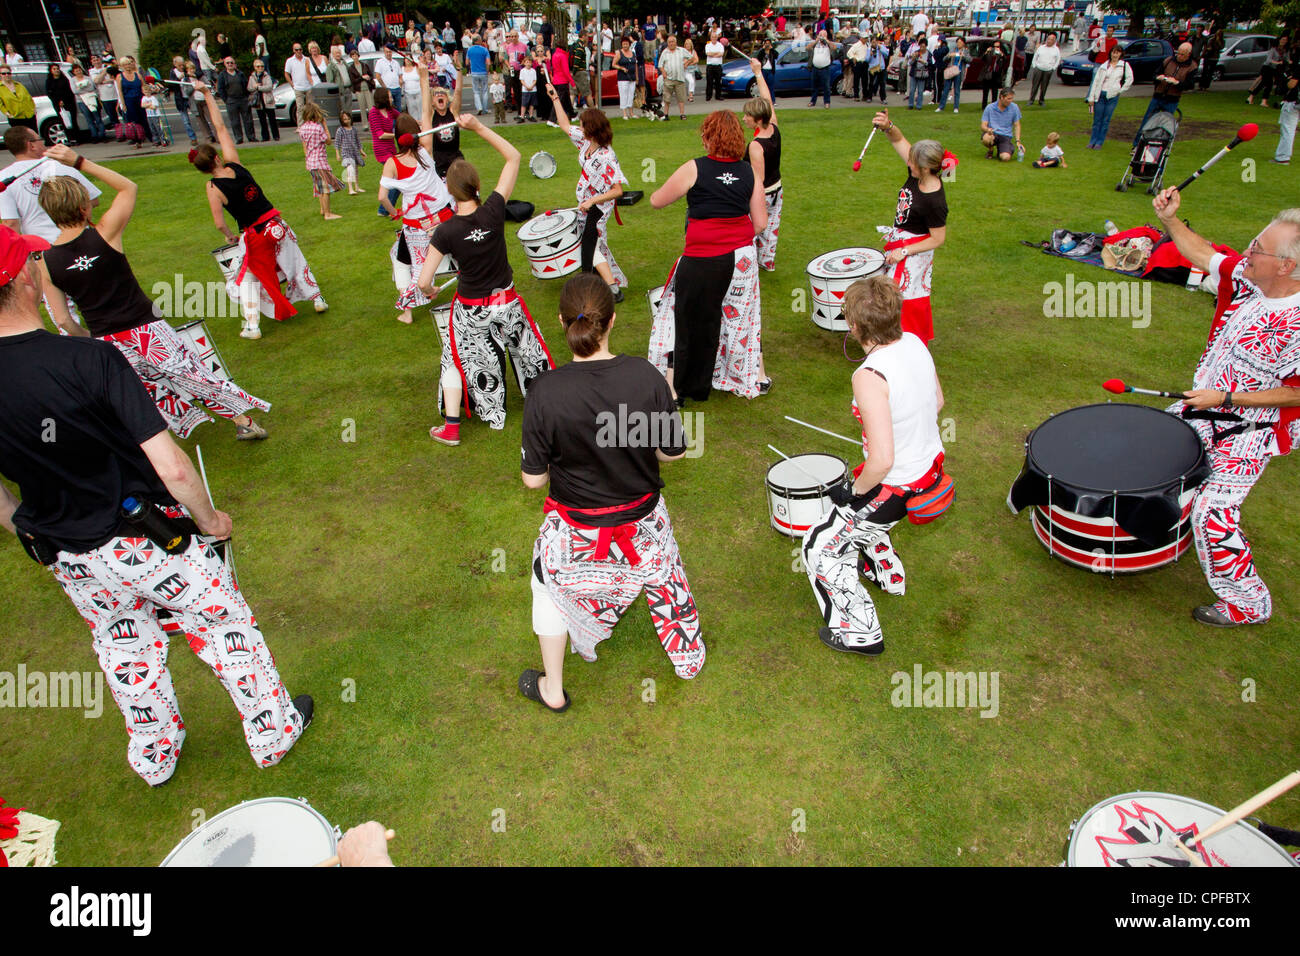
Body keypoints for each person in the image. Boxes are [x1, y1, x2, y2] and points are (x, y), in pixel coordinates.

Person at [0, 225, 311, 787]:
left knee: (124, 645)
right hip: (144, 534)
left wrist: (31, 527)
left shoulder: (81, 357)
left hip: (68, 551)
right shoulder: (89, 360)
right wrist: (210, 522)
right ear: (25, 277)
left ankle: (155, 751)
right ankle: (273, 731)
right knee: (222, 622)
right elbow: (171, 467)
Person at [518, 274, 704, 711]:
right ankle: (688, 658)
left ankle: (553, 689)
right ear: (613, 320)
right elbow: (672, 454)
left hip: (578, 531)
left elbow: (533, 480)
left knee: (544, 584)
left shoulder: (545, 392)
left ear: (561, 321)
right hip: (645, 529)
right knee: (667, 576)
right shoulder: (645, 375)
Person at [36, 145, 270, 442]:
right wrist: (79, 162)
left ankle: (161, 447)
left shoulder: (45, 262)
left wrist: (92, 340)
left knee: (147, 394)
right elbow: (128, 187)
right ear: (84, 206)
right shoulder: (104, 232)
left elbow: (64, 320)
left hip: (108, 340)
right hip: (148, 328)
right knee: (194, 376)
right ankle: (244, 421)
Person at [1151, 190, 1300, 627]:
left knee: (1213, 511)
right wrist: (1170, 221)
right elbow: (1205, 254)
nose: (1247, 252)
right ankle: (1153, 535)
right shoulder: (1251, 279)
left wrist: (1228, 398)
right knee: (1150, 452)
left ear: (1287, 266)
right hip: (1205, 405)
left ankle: (1249, 603)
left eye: (1259, 249)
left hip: (1253, 428)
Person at [802, 274, 947, 656]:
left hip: (898, 485)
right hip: (931, 468)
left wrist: (853, 492)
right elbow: (938, 402)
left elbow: (881, 461)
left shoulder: (869, 375)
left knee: (820, 545)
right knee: (857, 519)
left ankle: (859, 633)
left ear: (853, 326)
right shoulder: (914, 341)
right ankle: (888, 576)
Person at [417, 114, 555, 443]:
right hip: (507, 301)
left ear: (450, 192)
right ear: (477, 186)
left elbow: (423, 281)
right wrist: (478, 128)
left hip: (470, 309)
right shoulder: (494, 208)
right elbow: (514, 157)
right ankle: (549, 405)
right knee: (528, 353)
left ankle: (456, 426)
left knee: (457, 357)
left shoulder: (445, 231)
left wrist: (431, 289)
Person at [648, 110, 769, 403]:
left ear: (708, 137)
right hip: (742, 259)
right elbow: (761, 223)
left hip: (703, 258)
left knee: (685, 320)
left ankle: (680, 387)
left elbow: (656, 200)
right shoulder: (748, 172)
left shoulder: (694, 168)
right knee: (740, 320)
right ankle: (747, 375)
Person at [189, 80, 326, 340]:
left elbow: (219, 223)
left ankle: (252, 325)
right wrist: (207, 93)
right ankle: (317, 299)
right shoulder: (235, 165)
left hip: (255, 235)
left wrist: (230, 236)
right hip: (276, 225)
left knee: (246, 278)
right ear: (216, 157)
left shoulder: (212, 187)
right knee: (295, 262)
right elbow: (221, 128)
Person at [379, 68, 456, 324]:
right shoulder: (425, 149)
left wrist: (393, 213)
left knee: (405, 263)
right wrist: (424, 81)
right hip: (445, 213)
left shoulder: (394, 161)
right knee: (416, 259)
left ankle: (408, 311)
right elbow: (426, 113)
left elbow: (382, 197)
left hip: (419, 223)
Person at [873, 111, 948, 344]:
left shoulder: (935, 201)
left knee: (907, 299)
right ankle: (891, 339)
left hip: (915, 251)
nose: (908, 163)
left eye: (912, 162)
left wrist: (904, 251)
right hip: (901, 242)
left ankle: (910, 344)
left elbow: (937, 239)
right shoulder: (917, 174)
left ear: (926, 168)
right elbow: (898, 140)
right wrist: (888, 126)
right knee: (889, 295)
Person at [546, 94, 628, 298]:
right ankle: (605, 284)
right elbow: (565, 126)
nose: (579, 128)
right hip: (586, 203)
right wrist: (555, 98)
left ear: (591, 129)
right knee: (592, 244)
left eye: (582, 125)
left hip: (599, 207)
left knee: (590, 245)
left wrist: (592, 201)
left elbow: (618, 191)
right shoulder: (586, 142)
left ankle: (608, 288)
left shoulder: (606, 156)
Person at [745, 61, 782, 273]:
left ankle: (749, 264)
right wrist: (758, 72)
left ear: (758, 120)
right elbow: (767, 100)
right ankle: (767, 262)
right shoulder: (774, 127)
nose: (744, 119)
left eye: (747, 116)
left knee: (754, 229)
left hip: (764, 194)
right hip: (778, 190)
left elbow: (757, 181)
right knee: (771, 231)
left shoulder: (756, 146)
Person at [1133, 43, 1197, 147]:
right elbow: (1155, 75)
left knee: (1165, 125)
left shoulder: (1192, 67)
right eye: (1178, 53)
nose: (1179, 56)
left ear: (1188, 55)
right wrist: (1158, 78)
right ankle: (1137, 145)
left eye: (1182, 54)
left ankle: (1158, 147)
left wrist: (1177, 83)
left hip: (1172, 99)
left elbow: (1190, 85)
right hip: (1158, 96)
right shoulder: (1168, 61)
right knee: (1147, 121)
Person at [297, 102, 344, 220]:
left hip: (310, 162)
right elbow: (328, 141)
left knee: (318, 187)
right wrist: (325, 126)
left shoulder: (302, 128)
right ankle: (328, 214)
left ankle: (323, 209)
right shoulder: (317, 128)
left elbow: (304, 146)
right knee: (326, 188)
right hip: (320, 162)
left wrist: (307, 158)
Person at [1086, 45, 1133, 149]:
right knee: (1097, 120)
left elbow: (1129, 80)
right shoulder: (1104, 66)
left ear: (1121, 54)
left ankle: (1099, 142)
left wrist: (1120, 90)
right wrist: (1091, 97)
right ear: (1110, 53)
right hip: (1100, 94)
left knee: (1105, 120)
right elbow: (1096, 82)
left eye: (1117, 52)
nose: (1115, 54)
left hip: (1112, 96)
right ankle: (1092, 140)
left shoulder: (1124, 65)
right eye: (1113, 52)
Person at [426, 82, 465, 176]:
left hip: (455, 156)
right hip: (438, 159)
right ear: (432, 102)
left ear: (447, 99)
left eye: (442, 93)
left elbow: (458, 91)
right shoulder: (431, 115)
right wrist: (423, 77)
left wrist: (459, 71)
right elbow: (425, 96)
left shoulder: (453, 112)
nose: (439, 94)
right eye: (436, 94)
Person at [217, 55, 255, 144]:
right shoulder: (222, 75)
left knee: (248, 120)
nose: (230, 64)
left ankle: (251, 137)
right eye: (228, 63)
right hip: (231, 101)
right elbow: (220, 89)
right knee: (235, 121)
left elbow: (246, 85)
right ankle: (239, 138)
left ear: (234, 64)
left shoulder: (240, 74)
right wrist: (226, 99)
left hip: (243, 99)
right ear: (225, 64)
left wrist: (247, 96)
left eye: (231, 62)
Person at [981, 86, 1022, 161]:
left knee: (1005, 158)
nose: (1010, 101)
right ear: (1001, 97)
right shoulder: (990, 107)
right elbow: (983, 126)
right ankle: (990, 150)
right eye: (1008, 98)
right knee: (986, 138)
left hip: (1005, 135)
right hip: (993, 134)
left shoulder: (1014, 107)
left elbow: (1017, 125)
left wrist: (1018, 141)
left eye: (1012, 98)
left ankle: (1005, 149)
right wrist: (988, 130)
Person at [1247, 36, 1288, 108]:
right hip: (1267, 68)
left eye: (1285, 40)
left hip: (1274, 69)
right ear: (1279, 40)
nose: (1284, 41)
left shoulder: (1284, 50)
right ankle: (1263, 101)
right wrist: (1277, 63)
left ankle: (1251, 97)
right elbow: (1268, 60)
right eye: (1283, 39)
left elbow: (1286, 58)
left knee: (1263, 84)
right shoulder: (1273, 49)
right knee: (1268, 85)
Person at [70, 64, 105, 143]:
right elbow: (75, 91)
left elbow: (92, 87)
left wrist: (81, 88)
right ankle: (94, 136)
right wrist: (85, 89)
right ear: (74, 72)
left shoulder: (88, 78)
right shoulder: (72, 80)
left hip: (92, 99)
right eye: (76, 71)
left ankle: (102, 135)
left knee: (97, 118)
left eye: (79, 70)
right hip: (82, 101)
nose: (78, 72)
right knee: (89, 119)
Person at [1274, 56, 1299, 164]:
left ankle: (1283, 157)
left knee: (1288, 128)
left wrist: (1287, 81)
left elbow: (1292, 84)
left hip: (1294, 101)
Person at [46, 64, 81, 142]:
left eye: (57, 68)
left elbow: (69, 91)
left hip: (69, 103)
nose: (56, 70)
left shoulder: (64, 79)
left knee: (73, 121)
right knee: (64, 121)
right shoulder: (49, 81)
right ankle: (69, 138)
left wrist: (63, 100)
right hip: (58, 104)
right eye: (54, 69)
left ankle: (78, 138)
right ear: (51, 71)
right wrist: (58, 101)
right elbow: (50, 93)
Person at [658, 33, 690, 119]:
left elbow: (692, 57)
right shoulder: (665, 52)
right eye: (669, 42)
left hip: (680, 78)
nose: (671, 43)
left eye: (673, 42)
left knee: (681, 98)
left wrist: (686, 63)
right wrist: (663, 72)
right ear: (667, 43)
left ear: (676, 42)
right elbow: (660, 65)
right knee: (667, 98)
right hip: (669, 79)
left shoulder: (681, 50)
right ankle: (666, 114)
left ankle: (682, 114)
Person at [248, 58, 279, 142]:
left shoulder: (267, 76)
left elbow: (269, 87)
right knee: (262, 120)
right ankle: (265, 136)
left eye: (262, 66)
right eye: (258, 66)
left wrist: (258, 87)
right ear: (255, 67)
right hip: (258, 102)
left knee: (272, 119)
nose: (260, 68)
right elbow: (249, 88)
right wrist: (255, 87)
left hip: (268, 100)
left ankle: (276, 135)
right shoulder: (252, 77)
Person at [0, 63, 36, 133]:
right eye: (4, 73)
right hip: (16, 118)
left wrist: (33, 109)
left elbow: (28, 97)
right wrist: (8, 114)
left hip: (29, 116)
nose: (7, 75)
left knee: (33, 137)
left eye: (8, 73)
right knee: (22, 139)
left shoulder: (19, 85)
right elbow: (0, 105)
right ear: (0, 75)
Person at [936, 36, 969, 113]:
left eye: (960, 42)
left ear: (963, 43)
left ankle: (956, 107)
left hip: (959, 72)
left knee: (956, 90)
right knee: (946, 89)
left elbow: (969, 60)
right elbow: (944, 59)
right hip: (951, 71)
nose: (958, 44)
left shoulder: (965, 51)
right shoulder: (952, 50)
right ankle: (941, 107)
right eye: (957, 42)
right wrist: (949, 56)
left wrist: (963, 56)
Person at [336, 110, 365, 193]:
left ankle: (356, 187)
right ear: (342, 120)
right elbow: (337, 143)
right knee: (350, 170)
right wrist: (337, 154)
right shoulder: (340, 130)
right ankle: (350, 188)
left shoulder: (354, 130)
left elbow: (357, 141)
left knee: (355, 170)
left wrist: (361, 151)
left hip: (354, 152)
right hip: (346, 153)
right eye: (345, 119)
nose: (347, 121)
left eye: (348, 119)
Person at [1028, 31, 1061, 106]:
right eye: (1048, 39)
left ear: (1054, 41)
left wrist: (1053, 68)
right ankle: (1031, 100)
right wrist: (1034, 66)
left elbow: (1057, 60)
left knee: (1044, 86)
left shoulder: (1056, 49)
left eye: (1051, 39)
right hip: (1038, 68)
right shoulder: (1041, 47)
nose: (1049, 41)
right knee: (1035, 85)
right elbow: (1035, 57)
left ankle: (1041, 100)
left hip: (1048, 70)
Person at [327, 48, 354, 123]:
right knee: (343, 110)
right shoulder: (331, 66)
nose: (338, 54)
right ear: (332, 55)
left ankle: (350, 125)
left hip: (348, 89)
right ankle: (344, 126)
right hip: (340, 91)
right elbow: (330, 81)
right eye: (336, 53)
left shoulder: (344, 63)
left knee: (349, 109)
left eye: (339, 53)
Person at [373, 45, 402, 113]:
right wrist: (384, 87)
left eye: (390, 52)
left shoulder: (396, 62)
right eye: (387, 52)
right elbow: (378, 76)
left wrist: (400, 84)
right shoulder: (380, 62)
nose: (388, 53)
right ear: (384, 52)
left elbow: (400, 75)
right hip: (388, 89)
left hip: (397, 88)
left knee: (398, 110)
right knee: (390, 110)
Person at [810, 30, 834, 108]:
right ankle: (813, 101)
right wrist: (816, 40)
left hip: (825, 68)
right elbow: (808, 47)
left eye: (823, 35)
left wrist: (826, 41)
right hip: (815, 67)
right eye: (820, 35)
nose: (821, 37)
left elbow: (834, 47)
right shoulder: (816, 44)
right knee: (814, 86)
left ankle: (827, 102)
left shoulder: (828, 44)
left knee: (826, 86)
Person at [905, 37, 931, 110]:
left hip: (922, 74)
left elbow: (930, 64)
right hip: (914, 73)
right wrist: (913, 58)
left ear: (926, 46)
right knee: (912, 90)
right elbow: (910, 63)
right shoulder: (916, 52)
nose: (922, 48)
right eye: (921, 46)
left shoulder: (928, 54)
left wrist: (924, 62)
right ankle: (910, 104)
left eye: (923, 46)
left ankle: (919, 106)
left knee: (920, 91)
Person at [980, 42, 1007, 110]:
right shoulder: (989, 53)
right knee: (985, 92)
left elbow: (1005, 61)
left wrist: (1002, 55)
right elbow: (982, 59)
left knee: (995, 92)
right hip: (988, 74)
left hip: (996, 75)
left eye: (998, 46)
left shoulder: (1001, 54)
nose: (996, 48)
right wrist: (986, 52)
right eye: (995, 46)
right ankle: (984, 106)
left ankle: (994, 106)